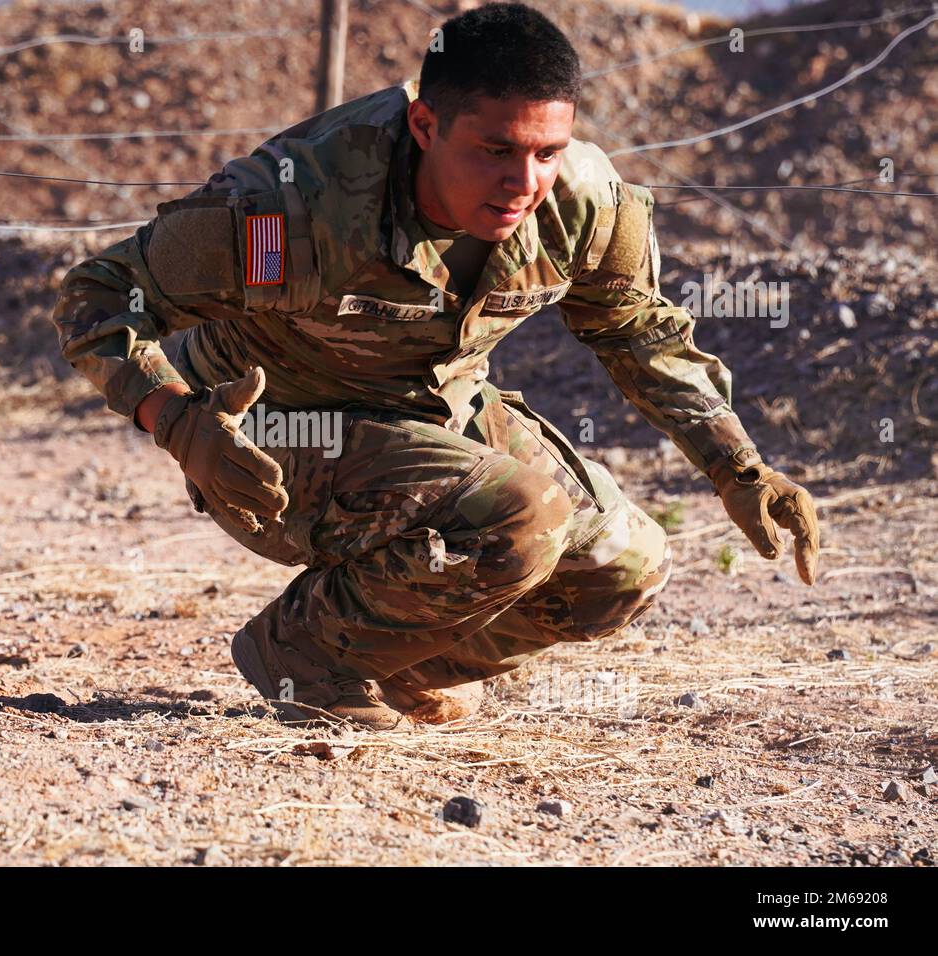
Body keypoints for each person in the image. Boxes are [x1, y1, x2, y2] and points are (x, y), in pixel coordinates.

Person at [50, 2, 820, 730]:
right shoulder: (295, 208)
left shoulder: (584, 202)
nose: (524, 184)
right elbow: (98, 294)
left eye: (546, 153)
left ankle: (391, 665)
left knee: (622, 567)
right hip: (274, 432)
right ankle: (304, 655)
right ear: (425, 123)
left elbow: (639, 332)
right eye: (495, 152)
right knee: (523, 513)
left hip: (434, 413)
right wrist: (179, 422)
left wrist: (740, 469)